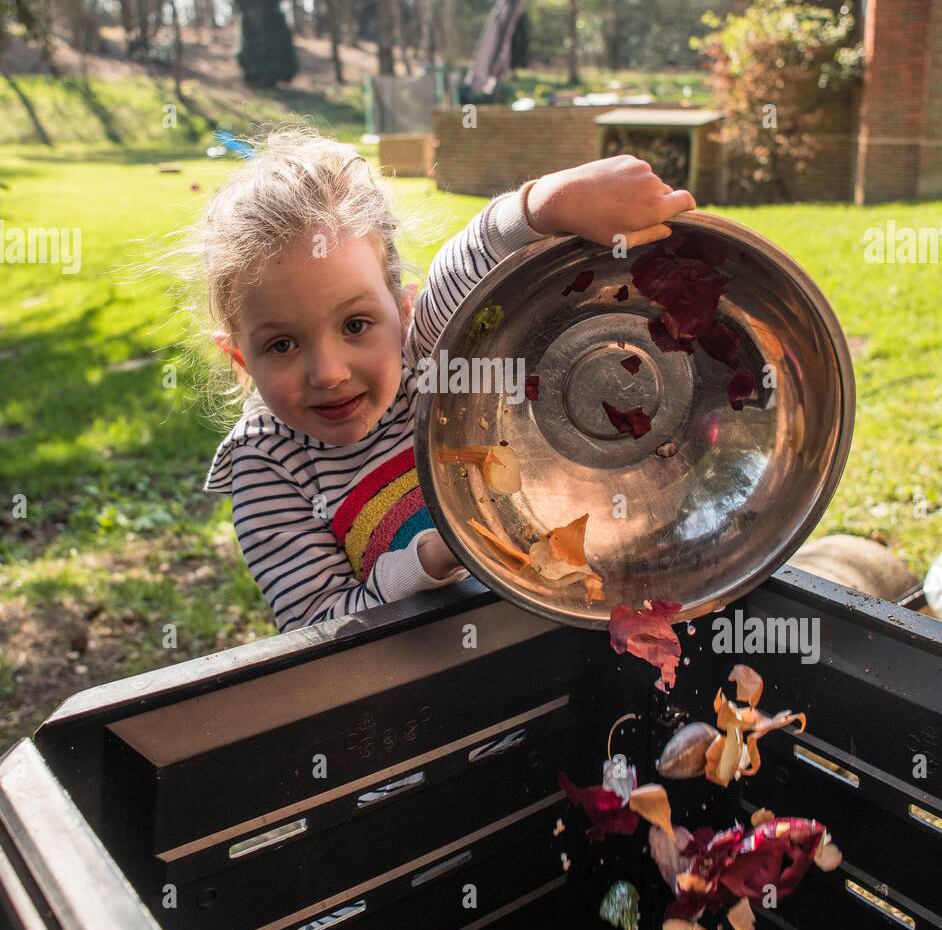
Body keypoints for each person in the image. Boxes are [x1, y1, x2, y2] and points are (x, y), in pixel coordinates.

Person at [190, 126, 694, 633]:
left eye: (356, 325)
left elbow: (472, 259)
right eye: (282, 345)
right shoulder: (268, 465)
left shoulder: (426, 362)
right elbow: (316, 628)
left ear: (403, 311)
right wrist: (428, 559)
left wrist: (546, 203)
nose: (329, 373)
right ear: (240, 359)